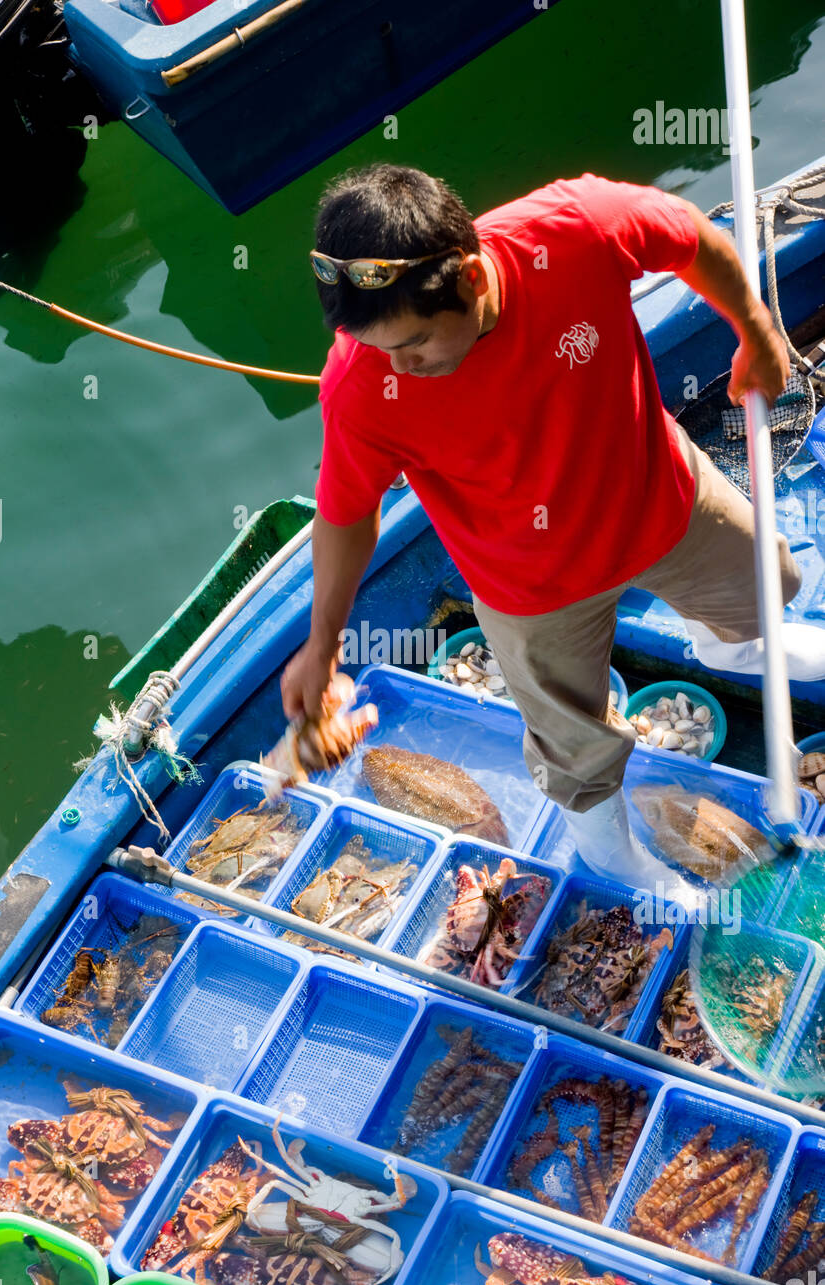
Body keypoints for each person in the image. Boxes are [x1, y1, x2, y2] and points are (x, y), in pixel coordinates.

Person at [281, 164, 825, 888]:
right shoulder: (359, 385)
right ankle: (622, 864)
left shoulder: (576, 230)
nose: (398, 368)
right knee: (575, 753)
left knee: (766, 592)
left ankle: (725, 649)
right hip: (531, 586)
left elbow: (689, 238)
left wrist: (754, 328)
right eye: (378, 349)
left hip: (658, 500)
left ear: (472, 278)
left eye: (413, 344)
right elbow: (347, 513)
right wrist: (321, 647)